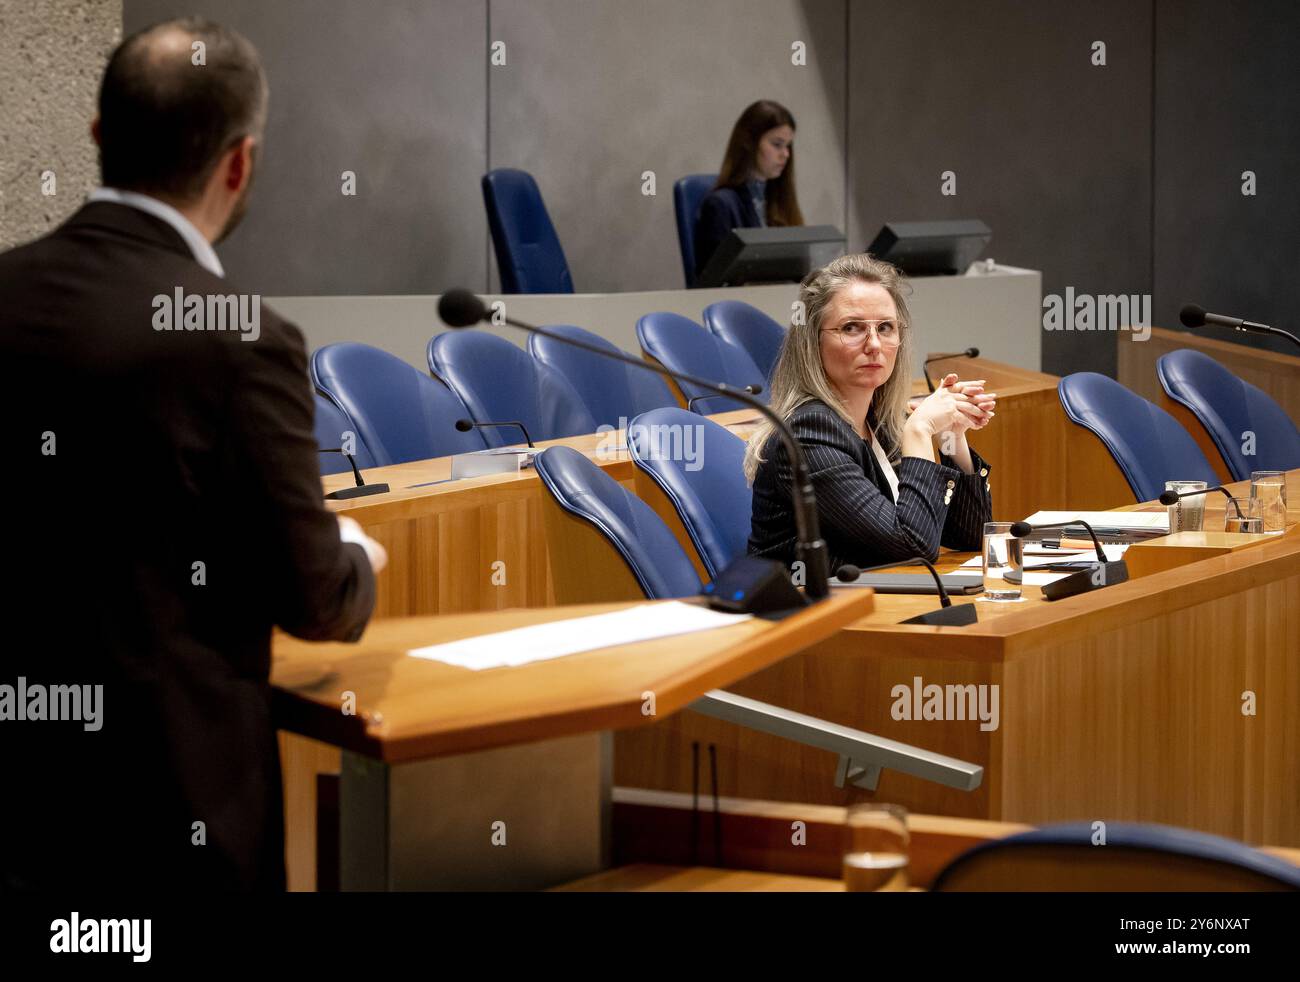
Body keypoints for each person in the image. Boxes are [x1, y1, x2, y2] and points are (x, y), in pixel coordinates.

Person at [0, 18, 385, 892]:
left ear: (98, 137)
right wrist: (357, 556)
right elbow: (315, 598)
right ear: (240, 163)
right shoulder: (239, 336)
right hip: (167, 814)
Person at [746, 254, 996, 572]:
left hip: (874, 602)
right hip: (810, 613)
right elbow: (913, 547)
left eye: (886, 328)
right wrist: (920, 431)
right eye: (852, 328)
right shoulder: (808, 434)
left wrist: (952, 434)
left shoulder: (882, 422)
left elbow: (972, 536)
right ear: (812, 341)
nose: (874, 344)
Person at [693, 99, 804, 280]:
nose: (785, 154)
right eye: (777, 144)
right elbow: (714, 281)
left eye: (788, 146)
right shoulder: (720, 205)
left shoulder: (778, 200)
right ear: (749, 143)